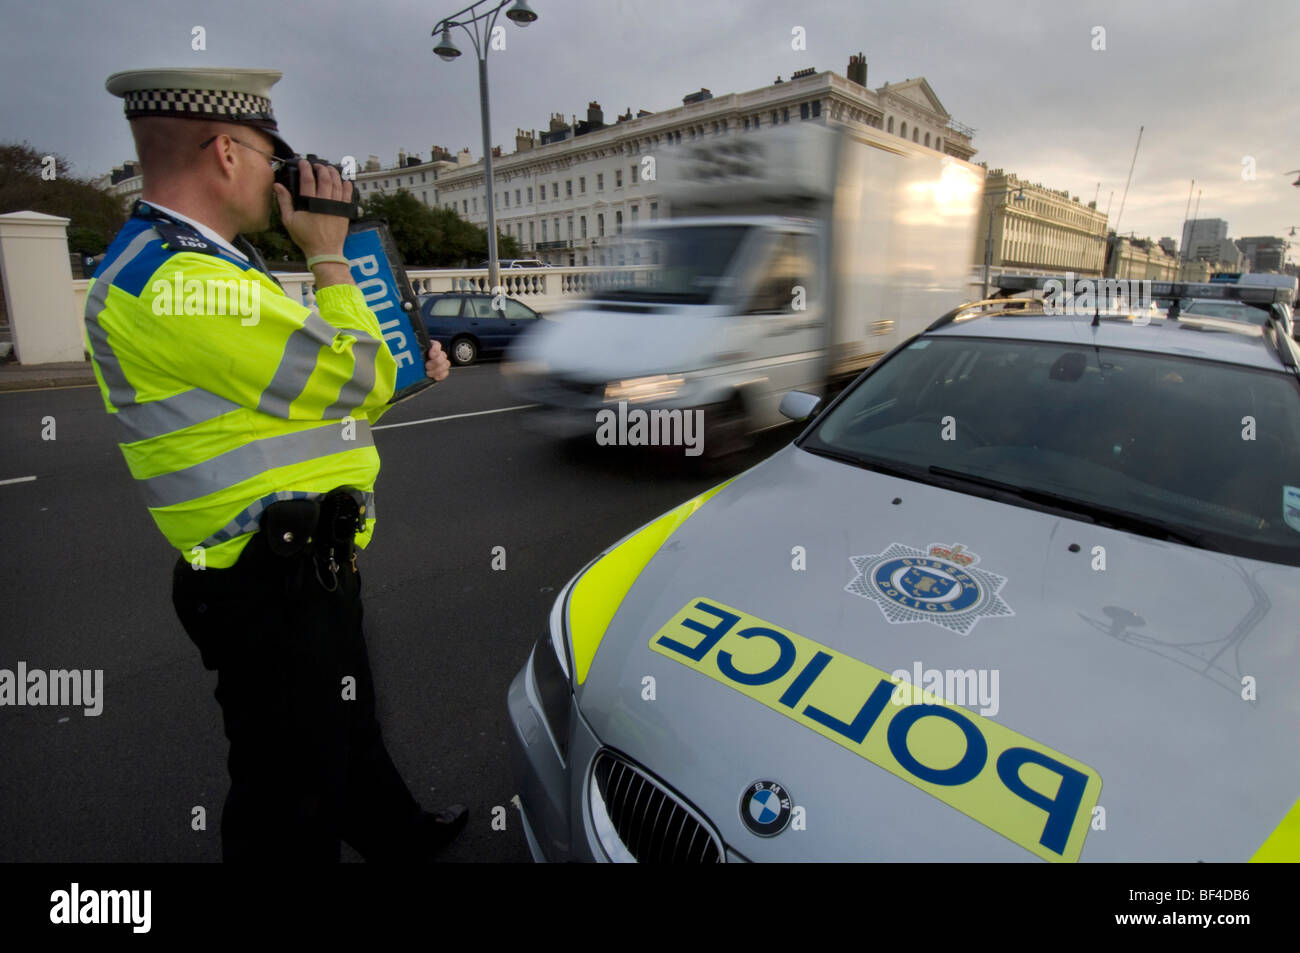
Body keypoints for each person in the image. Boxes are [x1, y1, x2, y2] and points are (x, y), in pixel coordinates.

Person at [85, 67, 467, 861]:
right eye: (272, 154)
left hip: (302, 560)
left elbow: (324, 399)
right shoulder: (182, 284)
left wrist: (399, 371)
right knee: (286, 796)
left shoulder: (200, 261)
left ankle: (398, 836)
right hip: (266, 580)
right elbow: (352, 376)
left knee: (349, 725)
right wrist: (330, 255)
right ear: (226, 152)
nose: (286, 175)